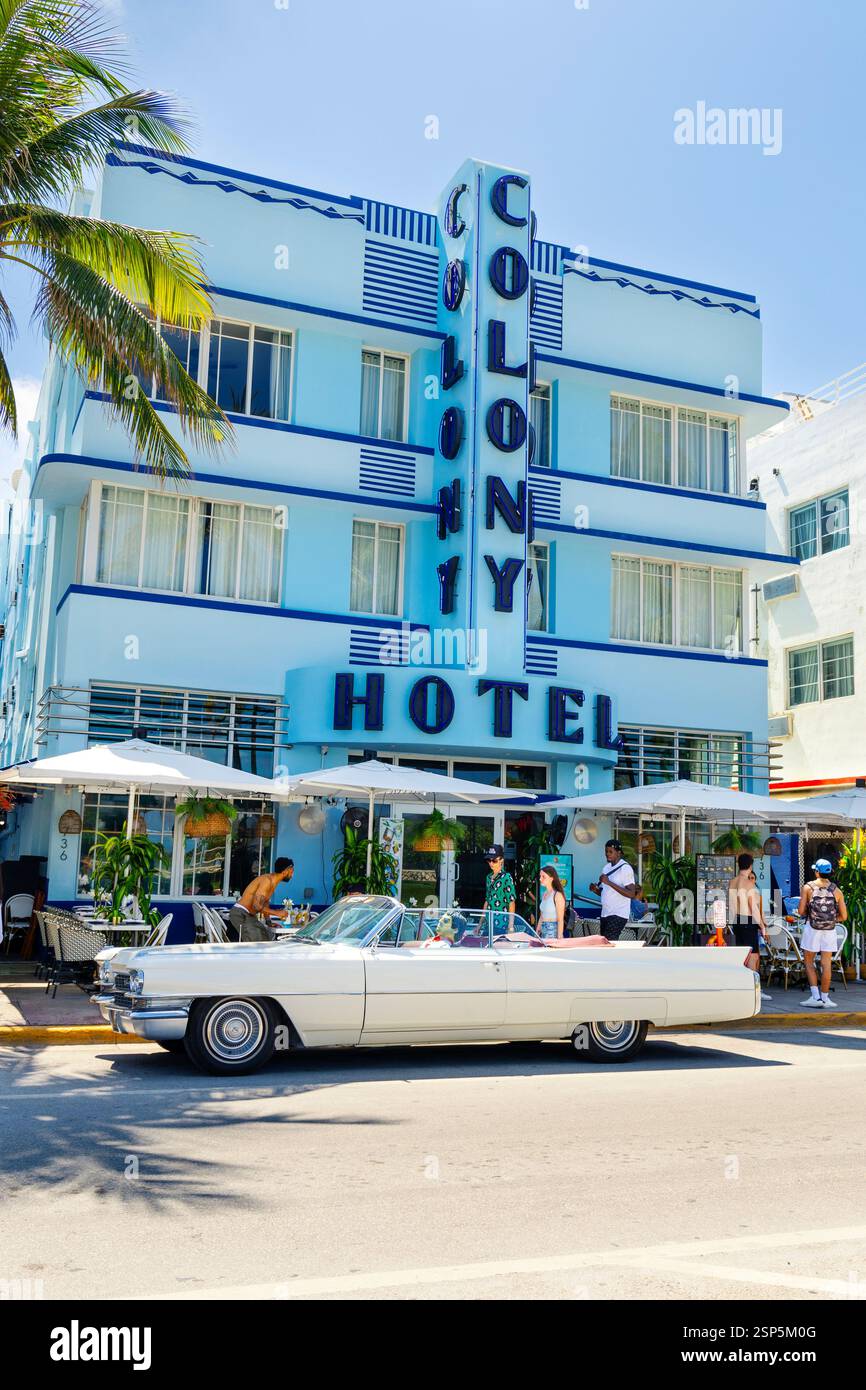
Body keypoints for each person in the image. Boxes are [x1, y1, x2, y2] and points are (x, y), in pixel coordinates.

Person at [798, 858, 847, 1009]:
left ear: (817, 871)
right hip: (829, 930)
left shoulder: (808, 887)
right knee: (826, 964)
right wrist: (831, 919)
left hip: (812, 928)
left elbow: (800, 911)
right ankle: (825, 998)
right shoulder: (836, 890)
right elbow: (844, 917)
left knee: (808, 962)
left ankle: (815, 997)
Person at [727, 853, 771, 1001]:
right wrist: (763, 927)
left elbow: (732, 907)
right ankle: (756, 991)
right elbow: (753, 908)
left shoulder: (732, 882)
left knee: (741, 957)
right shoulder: (749, 883)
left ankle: (743, 988)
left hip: (737, 921)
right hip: (748, 921)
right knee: (753, 957)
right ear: (751, 865)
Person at [228, 858, 294, 942]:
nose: (292, 875)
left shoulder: (273, 882)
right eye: (292, 871)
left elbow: (265, 903)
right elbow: (256, 906)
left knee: (267, 937)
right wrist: (277, 913)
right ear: (285, 871)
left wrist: (268, 921)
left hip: (249, 916)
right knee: (257, 943)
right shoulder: (267, 881)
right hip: (241, 914)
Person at [588, 839, 636, 940]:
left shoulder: (625, 868)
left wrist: (609, 882)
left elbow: (632, 893)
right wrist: (595, 890)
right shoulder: (606, 868)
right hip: (605, 913)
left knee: (609, 943)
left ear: (618, 853)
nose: (607, 854)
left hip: (618, 913)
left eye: (610, 852)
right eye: (606, 851)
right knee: (605, 943)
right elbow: (607, 893)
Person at [483, 844, 516, 937]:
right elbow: (487, 901)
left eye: (494, 860)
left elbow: (511, 901)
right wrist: (479, 924)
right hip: (488, 923)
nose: (491, 863)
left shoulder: (506, 877)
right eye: (489, 860)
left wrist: (510, 926)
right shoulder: (488, 877)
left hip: (501, 923)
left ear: (501, 860)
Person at [537, 864, 567, 940]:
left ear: (551, 878)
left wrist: (559, 937)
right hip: (543, 930)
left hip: (553, 931)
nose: (540, 879)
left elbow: (560, 919)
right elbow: (542, 916)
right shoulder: (545, 894)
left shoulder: (557, 895)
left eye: (543, 876)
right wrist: (537, 932)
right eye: (540, 876)